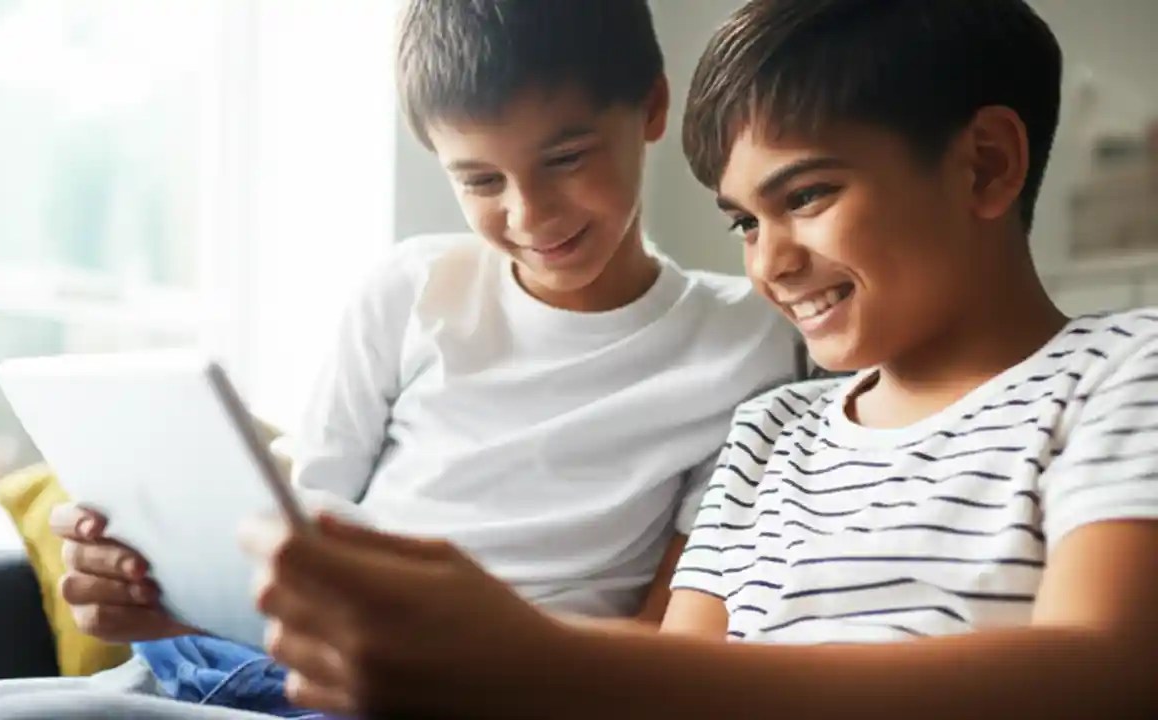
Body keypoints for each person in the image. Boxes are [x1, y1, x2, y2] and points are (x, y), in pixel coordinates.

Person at [224, 0, 1158, 718]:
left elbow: (1107, 667)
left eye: (809, 196)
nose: (769, 262)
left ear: (986, 165)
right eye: (744, 222)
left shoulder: (1124, 370)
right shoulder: (769, 430)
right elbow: (673, 677)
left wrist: (542, 657)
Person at [0, 1, 794, 719]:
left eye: (565, 158)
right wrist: (160, 586)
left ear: (651, 109)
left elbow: (669, 633)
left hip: (446, 694)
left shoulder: (741, 337)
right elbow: (296, 523)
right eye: (479, 179)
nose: (529, 214)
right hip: (252, 659)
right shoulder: (411, 290)